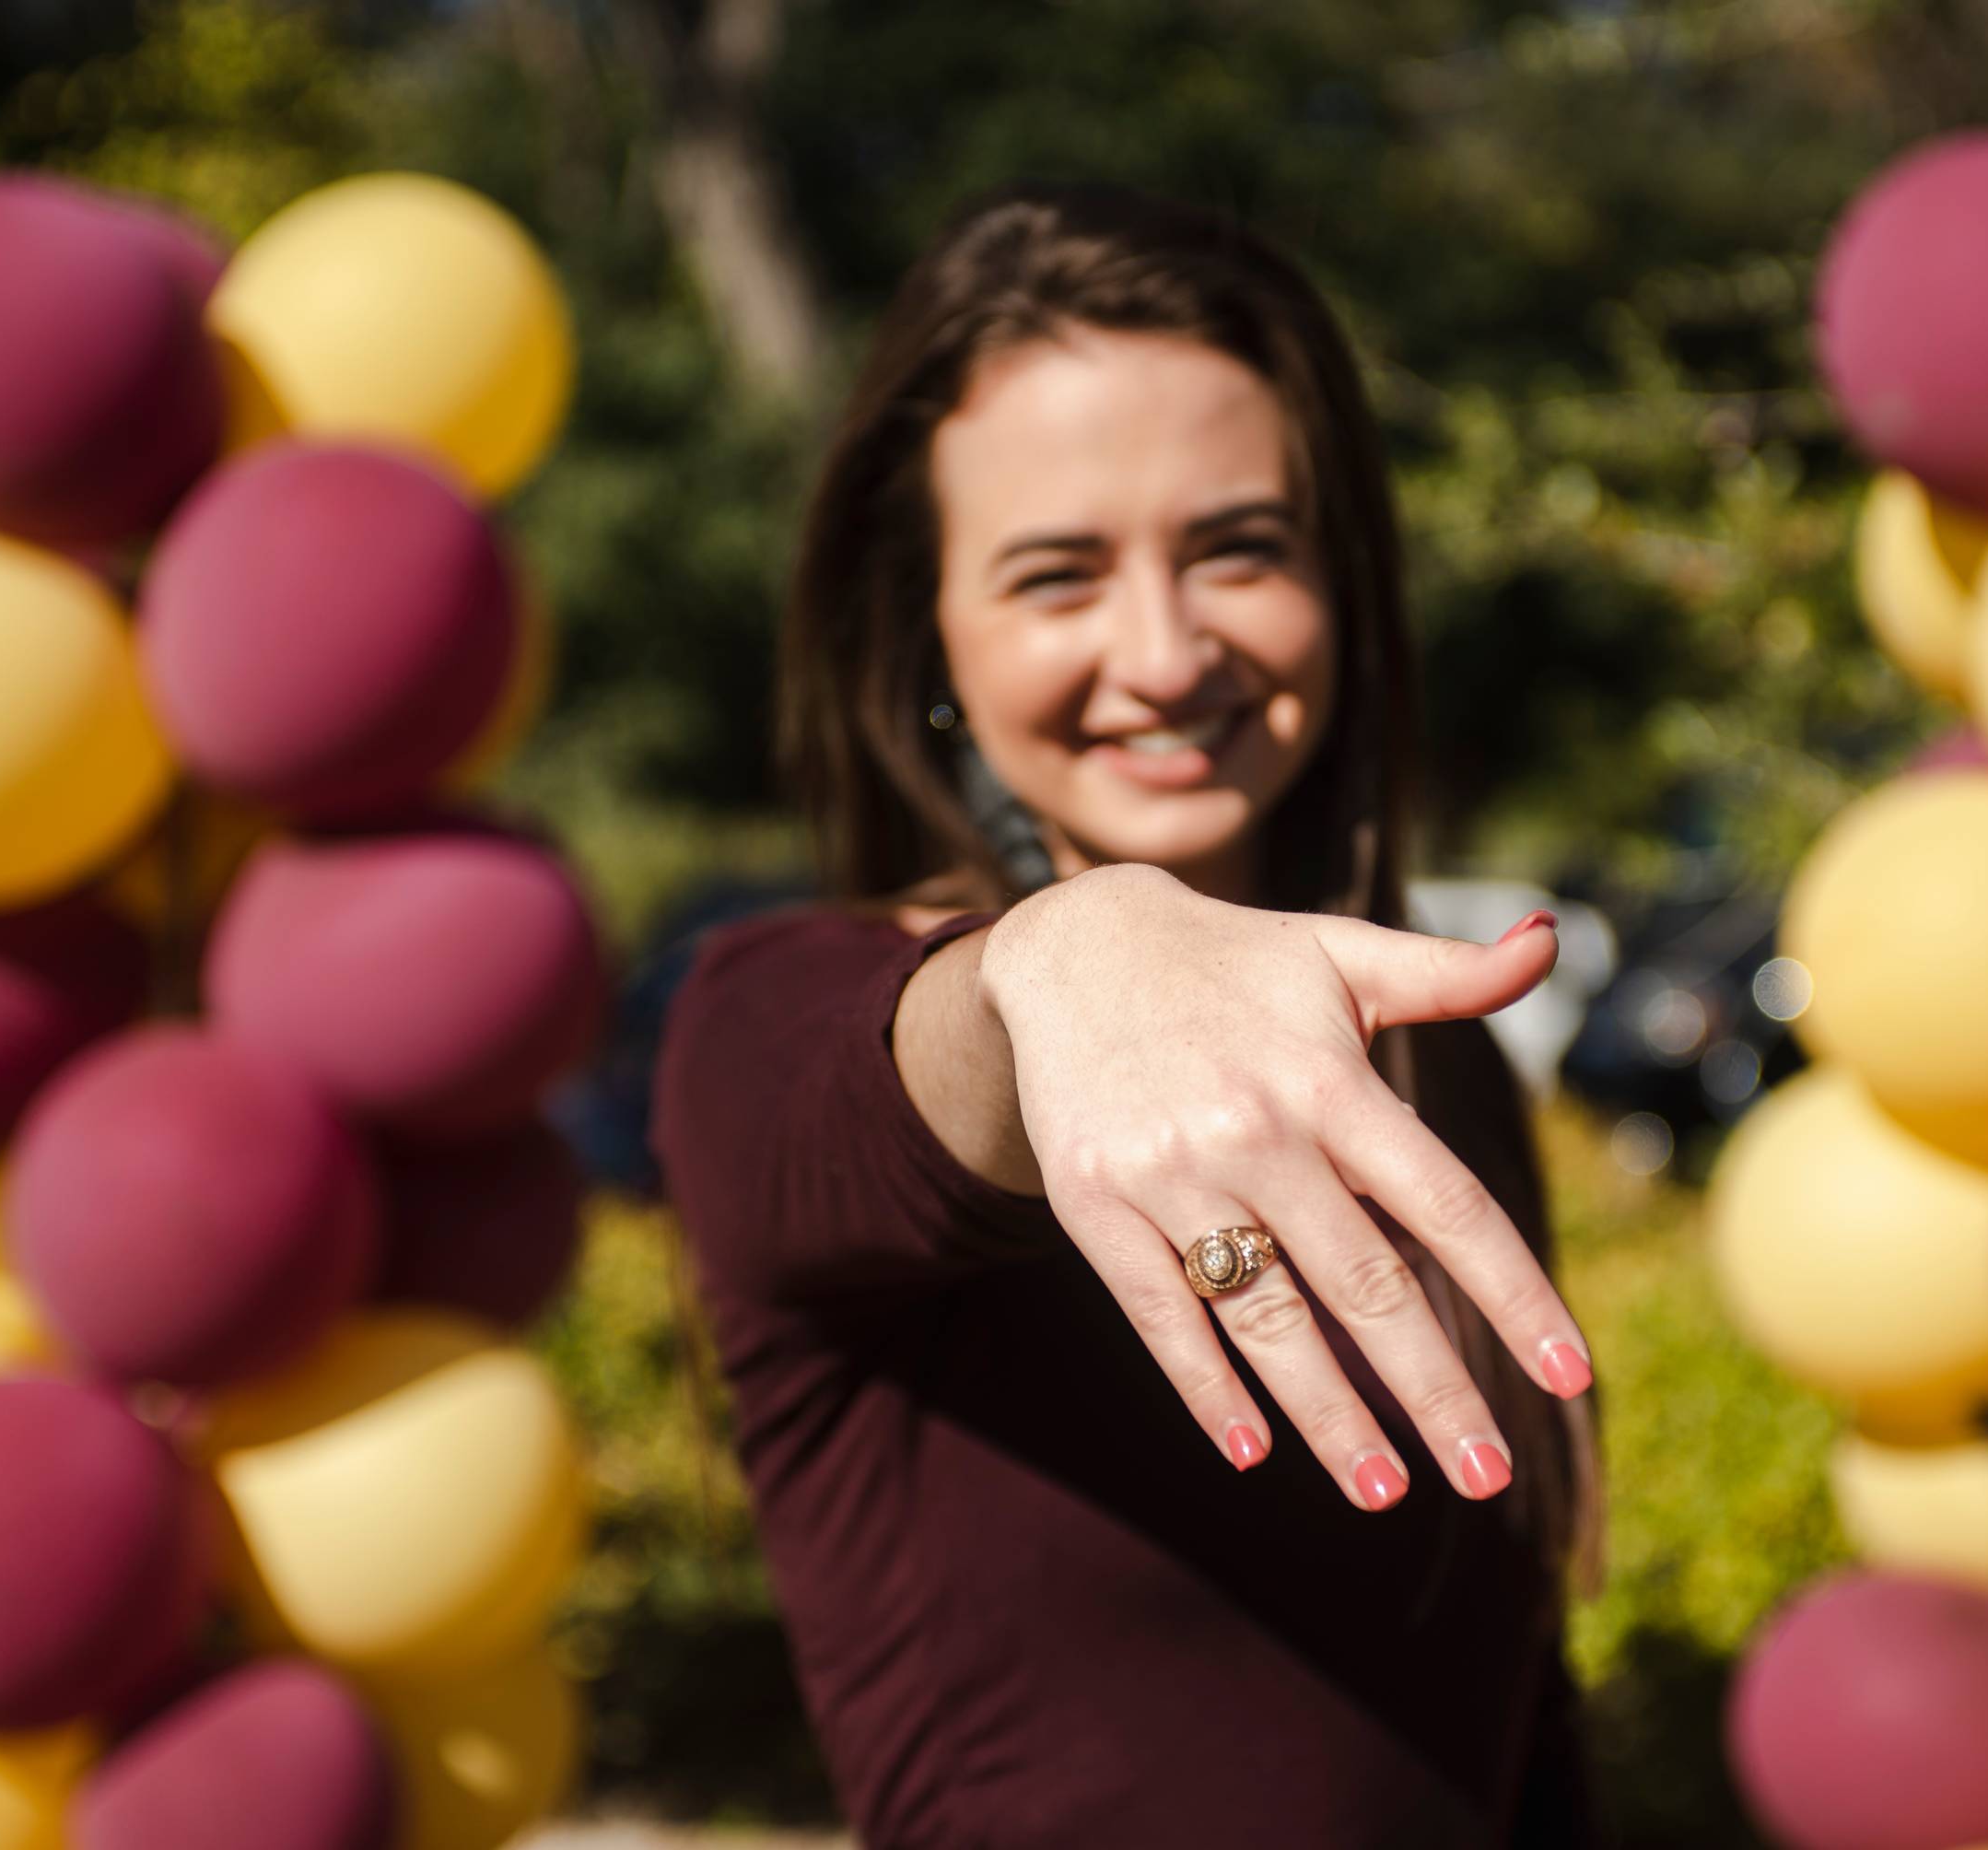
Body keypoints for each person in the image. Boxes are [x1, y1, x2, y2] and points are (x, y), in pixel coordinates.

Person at [652, 179, 1604, 1850]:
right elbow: (924, 1071)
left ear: (1340, 580)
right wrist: (1072, 956)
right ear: (930, 629)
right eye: (1056, 575)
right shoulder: (763, 1020)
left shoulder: (1432, 1049)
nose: (1163, 653)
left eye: (1237, 546)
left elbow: (1511, 1718)